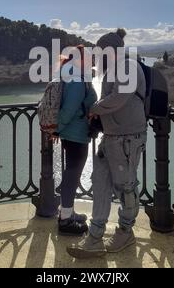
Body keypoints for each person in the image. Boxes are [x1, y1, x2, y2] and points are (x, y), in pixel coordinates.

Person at [67, 29, 147, 258]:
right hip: (112, 137)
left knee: (126, 185)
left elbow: (120, 97)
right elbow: (111, 101)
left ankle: (125, 231)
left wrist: (93, 109)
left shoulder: (129, 66)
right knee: (100, 184)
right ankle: (94, 235)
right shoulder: (113, 69)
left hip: (128, 137)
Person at [57, 45, 98, 237]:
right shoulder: (76, 80)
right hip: (75, 135)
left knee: (71, 174)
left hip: (75, 133)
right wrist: (56, 129)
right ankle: (65, 220)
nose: (91, 60)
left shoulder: (78, 77)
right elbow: (69, 109)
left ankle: (68, 211)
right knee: (72, 176)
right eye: (87, 57)